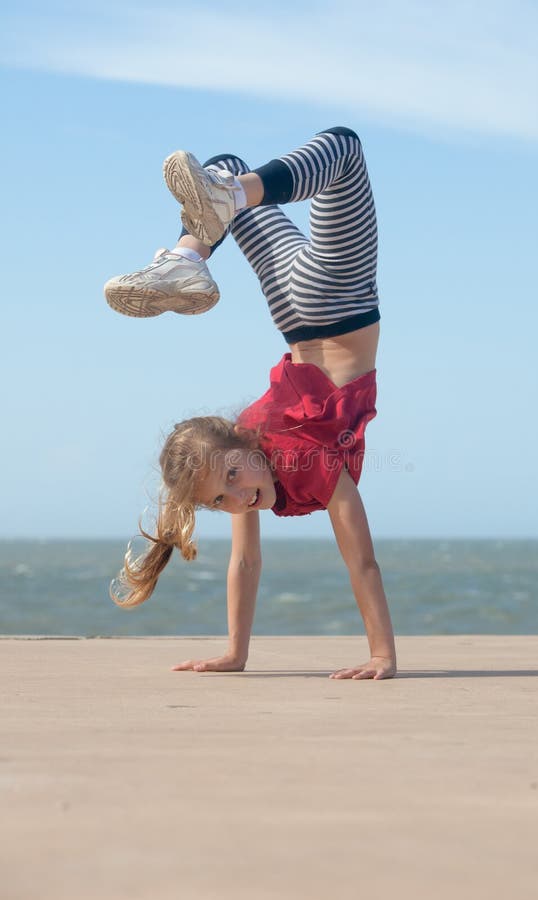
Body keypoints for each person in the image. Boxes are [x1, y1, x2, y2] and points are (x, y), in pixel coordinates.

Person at [105, 127, 397, 680]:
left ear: (244, 445)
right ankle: (188, 254)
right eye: (221, 500)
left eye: (233, 478)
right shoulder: (249, 446)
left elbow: (362, 560)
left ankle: (208, 228)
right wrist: (235, 655)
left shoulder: (304, 466)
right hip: (291, 308)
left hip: (338, 298)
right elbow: (244, 561)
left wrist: (382, 654)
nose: (240, 498)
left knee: (347, 147)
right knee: (225, 168)